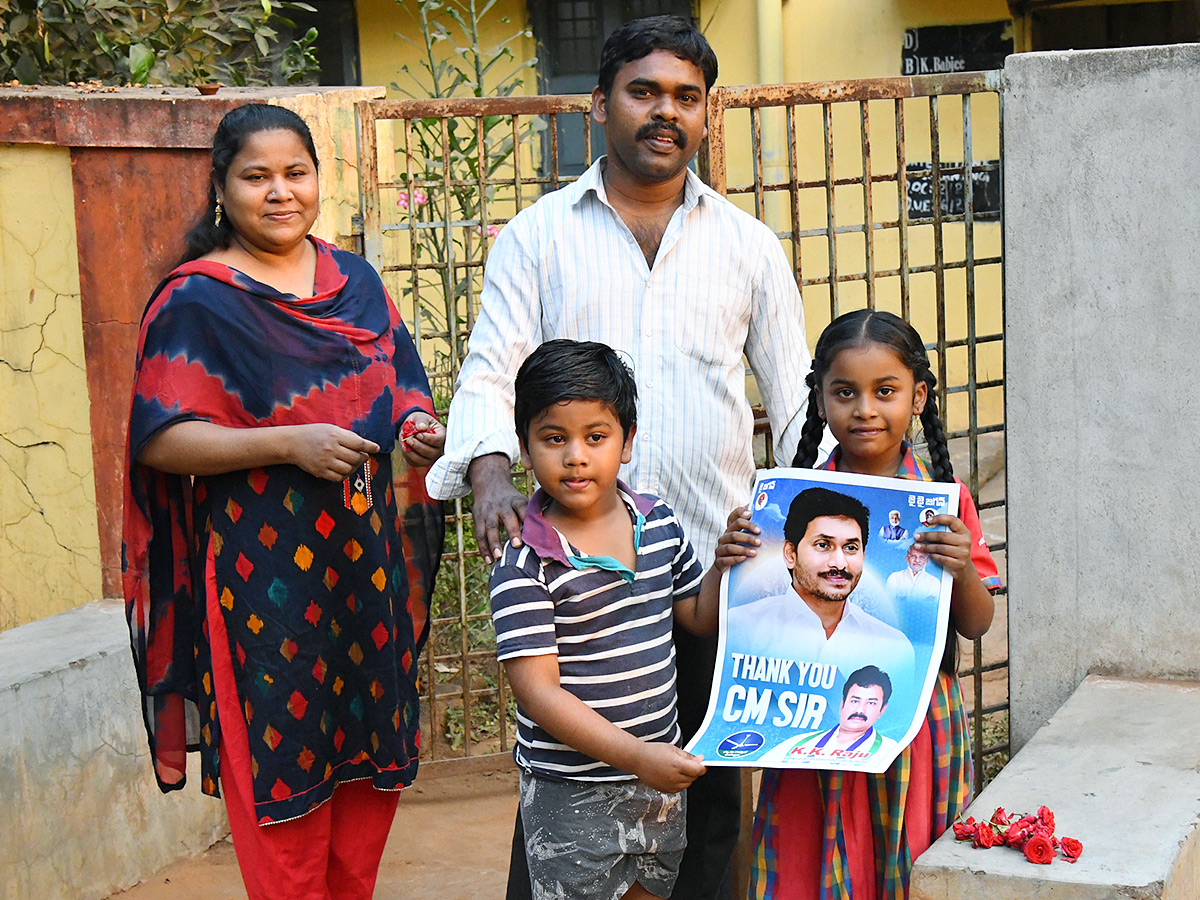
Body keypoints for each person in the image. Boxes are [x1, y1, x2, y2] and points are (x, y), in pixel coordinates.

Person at [426, 15, 814, 899]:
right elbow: (493, 370)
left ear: (707, 115)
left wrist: (813, 532)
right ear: (599, 105)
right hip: (586, 595)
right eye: (644, 92)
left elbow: (793, 400)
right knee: (568, 811)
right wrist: (490, 471)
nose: (664, 112)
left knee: (705, 811)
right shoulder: (539, 234)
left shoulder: (748, 245)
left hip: (707, 585)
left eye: (686, 96)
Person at [121, 104, 446, 900]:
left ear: (317, 181)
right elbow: (160, 437)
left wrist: (419, 425)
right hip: (260, 587)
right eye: (256, 176)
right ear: (221, 188)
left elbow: (401, 384)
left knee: (367, 780)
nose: (279, 192)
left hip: (366, 572)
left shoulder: (357, 283)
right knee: (281, 780)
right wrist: (286, 442)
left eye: (295, 173)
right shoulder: (198, 300)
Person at [489, 340, 759, 900]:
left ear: (628, 441)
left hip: (656, 787)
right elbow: (538, 694)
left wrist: (724, 564)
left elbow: (696, 616)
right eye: (553, 438)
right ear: (524, 446)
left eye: (595, 436)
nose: (575, 457)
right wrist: (638, 756)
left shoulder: (657, 520)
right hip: (572, 793)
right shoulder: (524, 560)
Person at [749, 309, 1002, 900]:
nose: (864, 409)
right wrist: (742, 556)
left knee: (909, 865)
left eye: (884, 391)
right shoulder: (789, 505)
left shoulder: (946, 502)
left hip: (915, 725)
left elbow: (978, 620)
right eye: (845, 392)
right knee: (809, 868)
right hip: (810, 724)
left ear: (918, 397)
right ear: (820, 400)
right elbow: (761, 618)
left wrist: (960, 565)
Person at [726, 488, 916, 686]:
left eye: (851, 548)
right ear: (791, 553)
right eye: (823, 545)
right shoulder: (741, 627)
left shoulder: (894, 647)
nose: (840, 564)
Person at [760, 666, 898, 765]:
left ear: (882, 710)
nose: (860, 710)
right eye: (855, 701)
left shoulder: (889, 750)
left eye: (871, 703)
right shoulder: (798, 742)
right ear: (842, 704)